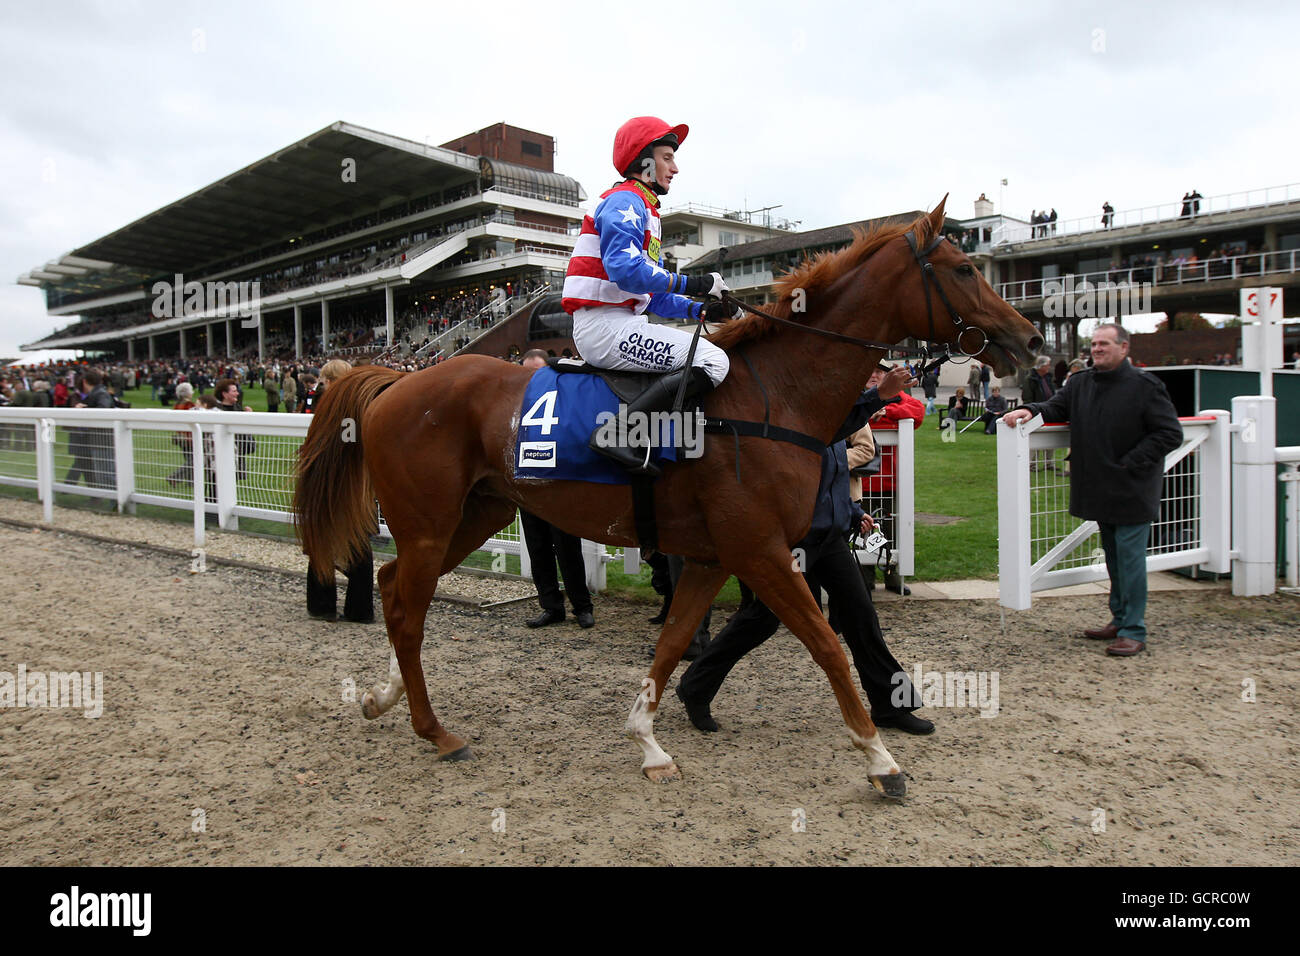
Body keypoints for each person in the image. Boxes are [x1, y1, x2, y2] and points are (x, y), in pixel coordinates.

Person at [675, 365, 933, 736]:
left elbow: (832, 470)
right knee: (761, 620)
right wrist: (879, 394)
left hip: (827, 537)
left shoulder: (825, 410)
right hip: (793, 539)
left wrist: (853, 510)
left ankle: (892, 706)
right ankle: (695, 686)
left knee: (861, 616)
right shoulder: (797, 414)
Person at [562, 116, 735, 474]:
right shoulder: (625, 201)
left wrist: (700, 310)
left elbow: (649, 294)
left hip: (618, 322)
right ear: (644, 162)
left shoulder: (644, 208)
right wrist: (697, 283)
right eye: (667, 157)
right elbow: (625, 271)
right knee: (715, 362)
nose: (675, 167)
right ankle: (617, 433)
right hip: (604, 328)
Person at [1002, 323, 1182, 657]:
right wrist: (1031, 410)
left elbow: (1169, 433)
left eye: (1104, 344)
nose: (1096, 349)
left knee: (1130, 561)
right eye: (1094, 344)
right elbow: (1056, 406)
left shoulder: (1146, 386)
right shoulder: (1080, 382)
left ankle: (1133, 630)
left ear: (1124, 348)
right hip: (1099, 489)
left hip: (1131, 490)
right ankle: (1119, 619)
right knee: (1114, 559)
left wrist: (1129, 462)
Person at [516, 351, 595, 630]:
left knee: (568, 549)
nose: (533, 379)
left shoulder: (566, 398)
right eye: (528, 373)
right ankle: (551, 606)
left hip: (559, 484)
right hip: (529, 485)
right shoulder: (518, 402)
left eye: (537, 372)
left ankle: (582, 606)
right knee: (538, 550)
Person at [305, 359, 374, 624]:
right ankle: (359, 609)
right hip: (357, 485)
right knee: (357, 544)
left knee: (323, 542)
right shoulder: (358, 405)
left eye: (325, 381)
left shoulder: (342, 409)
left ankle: (323, 605)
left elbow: (344, 446)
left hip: (337, 485)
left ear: (331, 380)